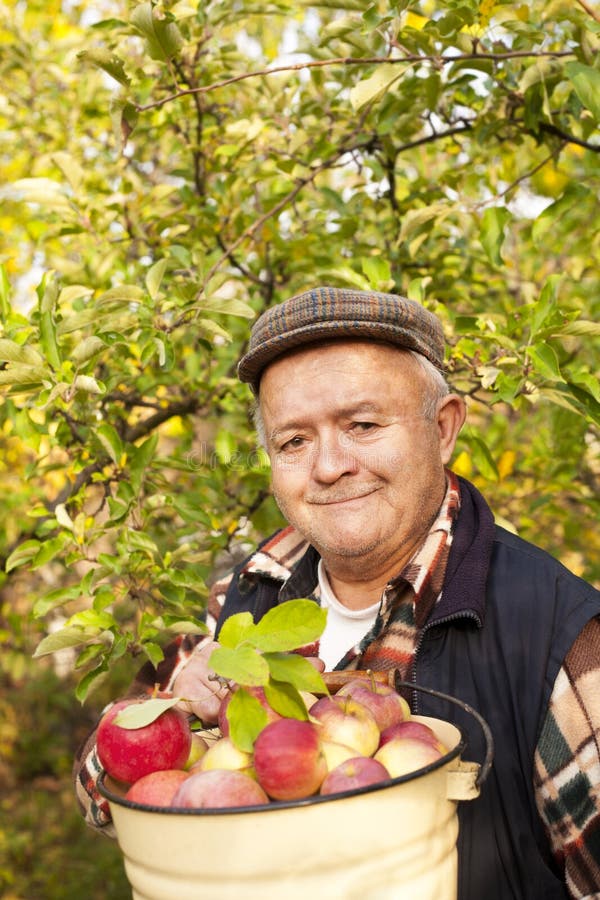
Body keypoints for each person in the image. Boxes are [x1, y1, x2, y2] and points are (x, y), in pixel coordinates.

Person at [74, 286, 600, 900]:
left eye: (363, 425)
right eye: (293, 441)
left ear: (444, 428)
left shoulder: (560, 639)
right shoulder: (238, 600)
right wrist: (176, 712)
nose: (328, 465)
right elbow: (100, 795)